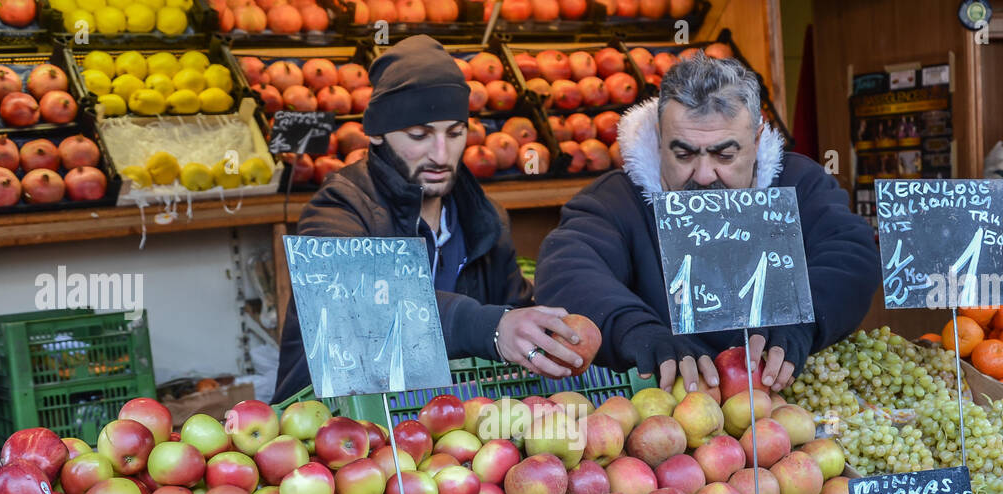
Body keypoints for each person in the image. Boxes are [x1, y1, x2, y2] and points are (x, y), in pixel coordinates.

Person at [535, 54, 881, 393]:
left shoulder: (799, 183)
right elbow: (567, 268)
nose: (703, 175)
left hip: (784, 402)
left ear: (757, 140)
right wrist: (636, 330)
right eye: (683, 154)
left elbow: (850, 253)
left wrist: (803, 322)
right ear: (659, 139)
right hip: (661, 410)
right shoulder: (613, 201)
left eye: (725, 155)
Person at [272, 35, 582, 403]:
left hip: (452, 430)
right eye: (419, 135)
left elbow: (515, 312)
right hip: (339, 427)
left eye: (454, 133)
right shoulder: (339, 210)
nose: (440, 154)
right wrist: (489, 326)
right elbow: (365, 310)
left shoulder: (485, 220)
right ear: (376, 135)